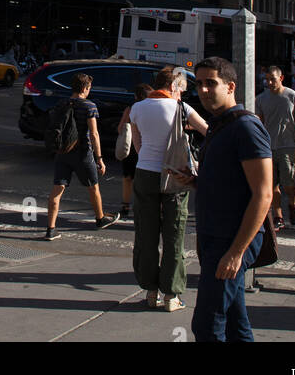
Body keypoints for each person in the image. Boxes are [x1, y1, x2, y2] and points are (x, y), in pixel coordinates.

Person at [173, 57, 273, 343]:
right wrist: (195, 180)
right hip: (213, 236)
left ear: (230, 87)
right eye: (200, 83)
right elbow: (229, 180)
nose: (203, 90)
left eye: (211, 83)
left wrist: (236, 252)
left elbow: (263, 194)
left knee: (207, 324)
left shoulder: (246, 128)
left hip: (231, 240)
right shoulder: (219, 125)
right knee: (234, 322)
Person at [129, 66, 207, 311]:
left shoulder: (137, 108)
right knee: (174, 234)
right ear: (174, 86)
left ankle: (150, 291)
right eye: (181, 89)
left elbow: (138, 145)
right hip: (175, 176)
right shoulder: (181, 108)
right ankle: (171, 296)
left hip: (144, 173)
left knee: (146, 234)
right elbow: (210, 132)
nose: (181, 95)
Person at [45, 73, 117, 239]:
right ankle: (100, 219)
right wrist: (99, 158)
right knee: (93, 187)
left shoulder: (62, 103)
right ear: (85, 88)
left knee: (57, 189)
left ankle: (50, 229)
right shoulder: (89, 106)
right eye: (89, 87)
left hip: (63, 152)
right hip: (83, 153)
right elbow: (94, 133)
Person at [255, 64, 295, 230]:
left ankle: (293, 205)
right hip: (268, 147)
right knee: (272, 185)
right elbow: (259, 121)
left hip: (288, 145)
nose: (270, 83)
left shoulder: (292, 96)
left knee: (289, 184)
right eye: (267, 80)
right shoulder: (261, 99)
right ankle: (278, 216)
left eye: (273, 79)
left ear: (281, 78)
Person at [115, 81, 152, 220]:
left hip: (130, 147)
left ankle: (125, 205)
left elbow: (120, 128)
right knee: (142, 178)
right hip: (145, 146)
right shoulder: (151, 109)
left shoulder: (130, 109)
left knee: (127, 178)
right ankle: (142, 205)